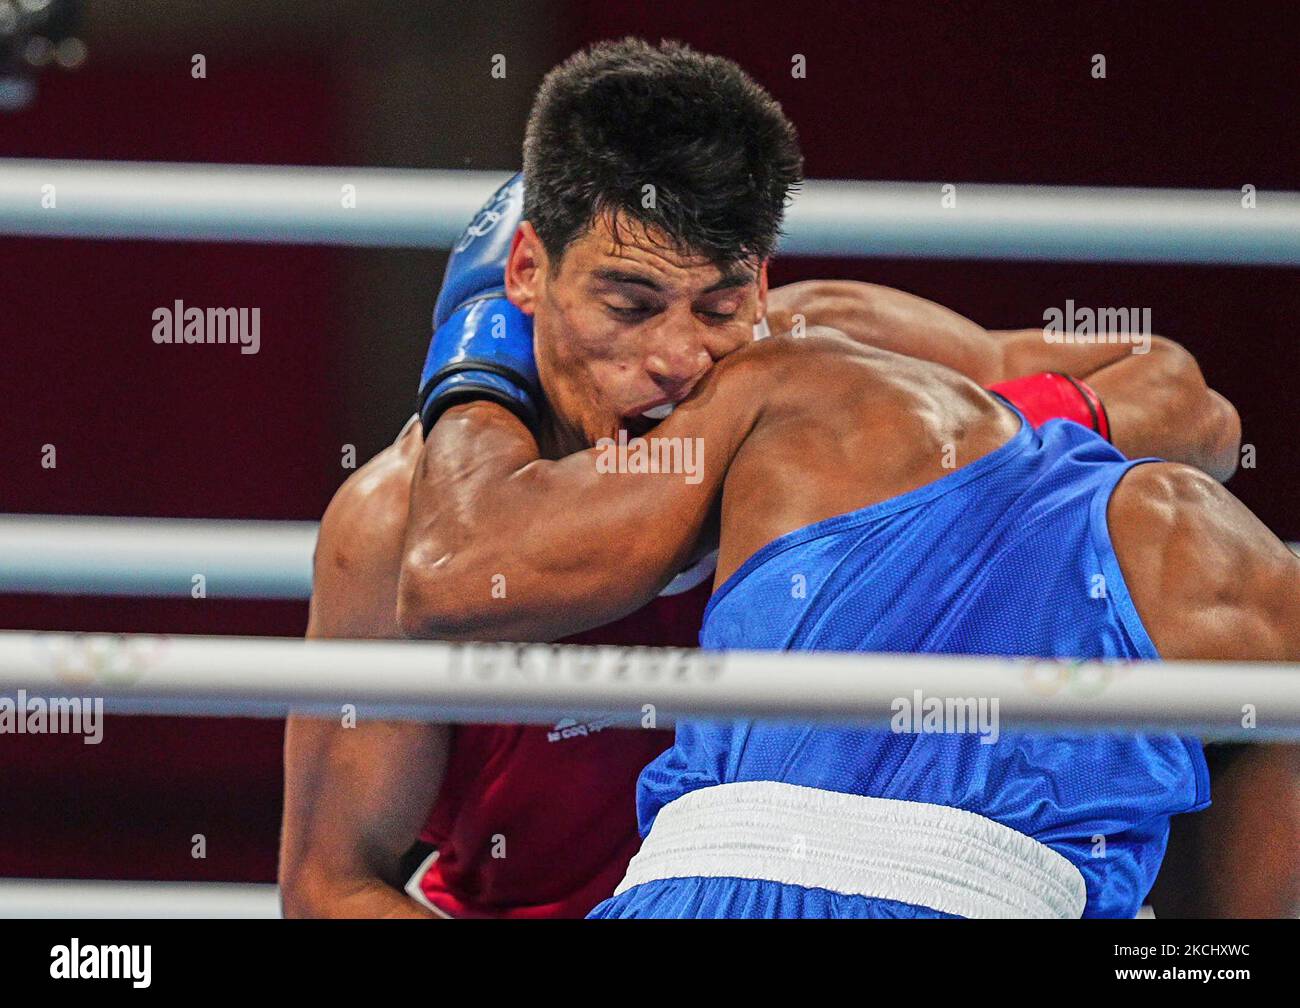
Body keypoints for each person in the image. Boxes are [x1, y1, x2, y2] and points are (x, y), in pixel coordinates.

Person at [279, 38, 1242, 918]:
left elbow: (1190, 406)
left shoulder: (830, 367)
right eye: (630, 303)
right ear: (528, 271)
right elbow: (333, 885)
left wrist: (960, 455)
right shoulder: (398, 521)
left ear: (764, 286)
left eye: (718, 306)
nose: (676, 357)